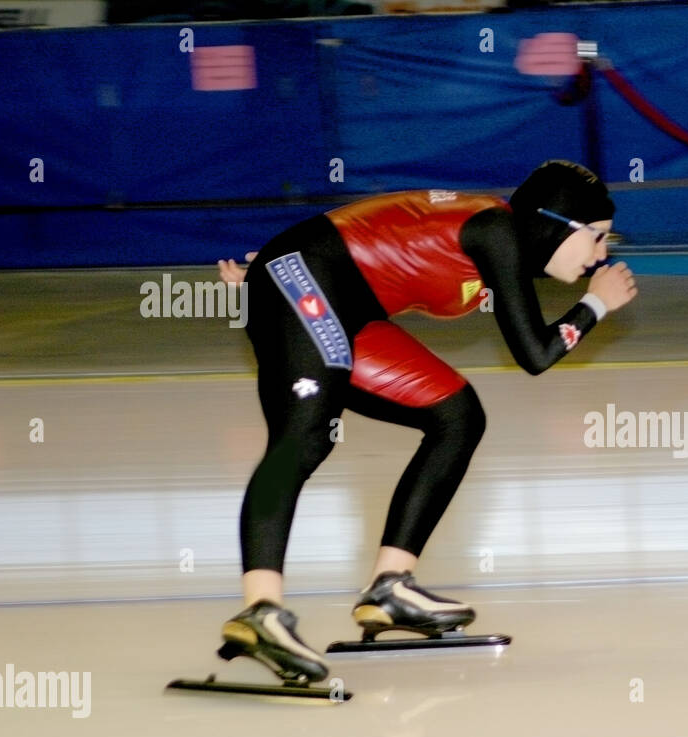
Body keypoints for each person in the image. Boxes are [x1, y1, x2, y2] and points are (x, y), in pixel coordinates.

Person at [215, 160, 636, 682]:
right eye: (596, 238)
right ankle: (260, 610)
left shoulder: (503, 240)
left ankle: (390, 587)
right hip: (305, 282)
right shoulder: (496, 230)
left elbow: (380, 229)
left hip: (338, 300)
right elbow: (534, 353)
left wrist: (281, 261)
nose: (601, 255)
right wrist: (596, 304)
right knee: (304, 440)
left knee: (457, 415)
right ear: (554, 222)